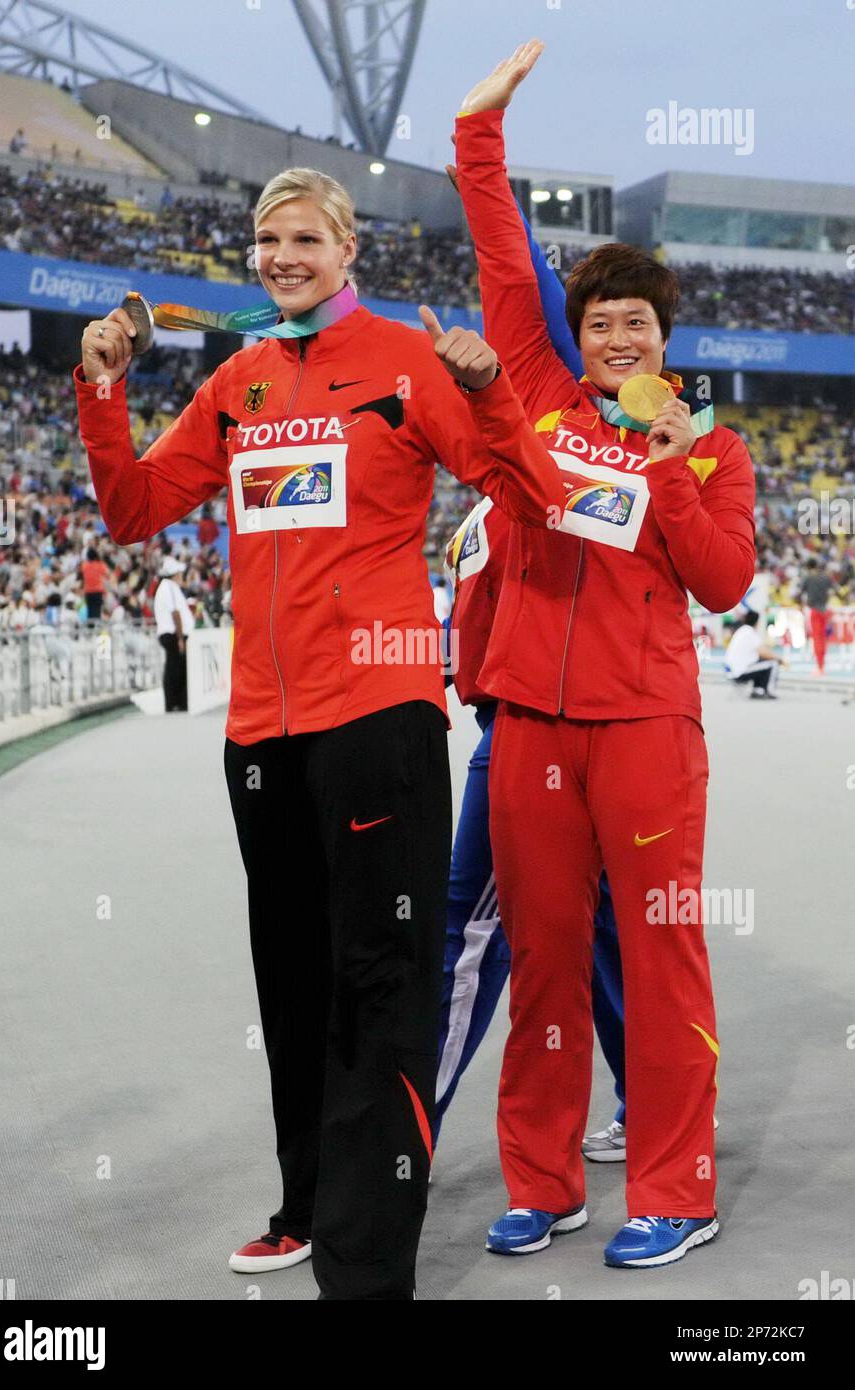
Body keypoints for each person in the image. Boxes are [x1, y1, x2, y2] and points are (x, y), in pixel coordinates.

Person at [73, 163, 565, 1301]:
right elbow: (137, 507)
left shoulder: (405, 363)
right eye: (265, 239)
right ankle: (305, 1203)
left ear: (348, 252)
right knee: (292, 981)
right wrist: (103, 394)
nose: (282, 256)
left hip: (378, 717)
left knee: (379, 979)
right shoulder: (239, 381)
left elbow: (525, 489)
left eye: (304, 238)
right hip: (261, 732)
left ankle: (364, 1258)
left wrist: (489, 388)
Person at [452, 41, 756, 1268]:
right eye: (599, 322)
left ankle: (674, 1188)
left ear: (662, 338)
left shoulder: (712, 450)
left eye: (635, 322)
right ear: (571, 337)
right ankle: (543, 1181)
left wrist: (676, 461)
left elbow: (725, 584)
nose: (616, 336)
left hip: (645, 734)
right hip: (527, 725)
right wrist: (480, 134)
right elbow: (495, 255)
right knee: (541, 967)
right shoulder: (534, 394)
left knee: (662, 956)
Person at [432, 184, 627, 1158]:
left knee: (467, 926)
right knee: (582, 932)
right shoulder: (484, 498)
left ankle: (398, 1135)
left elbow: (532, 310)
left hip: (539, 728)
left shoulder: (564, 439)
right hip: (503, 717)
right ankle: (647, 1100)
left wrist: (494, 187)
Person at [154, 557, 193, 712]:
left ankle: (177, 702)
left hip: (173, 633)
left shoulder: (169, 587)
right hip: (172, 633)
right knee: (174, 669)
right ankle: (173, 703)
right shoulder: (169, 587)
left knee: (177, 667)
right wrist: (180, 638)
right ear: (175, 574)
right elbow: (175, 613)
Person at [725, 610, 782, 698]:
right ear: (757, 622)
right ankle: (770, 691)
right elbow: (763, 652)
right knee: (773, 663)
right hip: (740, 672)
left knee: (762, 663)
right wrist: (780, 659)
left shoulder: (742, 630)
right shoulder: (749, 632)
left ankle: (758, 691)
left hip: (732, 670)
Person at [798, 556, 833, 675]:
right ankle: (822, 664)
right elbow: (832, 591)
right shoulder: (825, 577)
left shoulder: (807, 577)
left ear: (808, 567)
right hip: (825, 610)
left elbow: (800, 592)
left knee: (817, 638)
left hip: (814, 610)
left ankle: (820, 667)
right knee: (822, 638)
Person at [80, 545, 109, 622]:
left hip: (88, 591)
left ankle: (90, 629)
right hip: (98, 591)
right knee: (97, 611)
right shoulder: (100, 565)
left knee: (90, 611)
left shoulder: (84, 565)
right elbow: (107, 574)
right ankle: (96, 630)